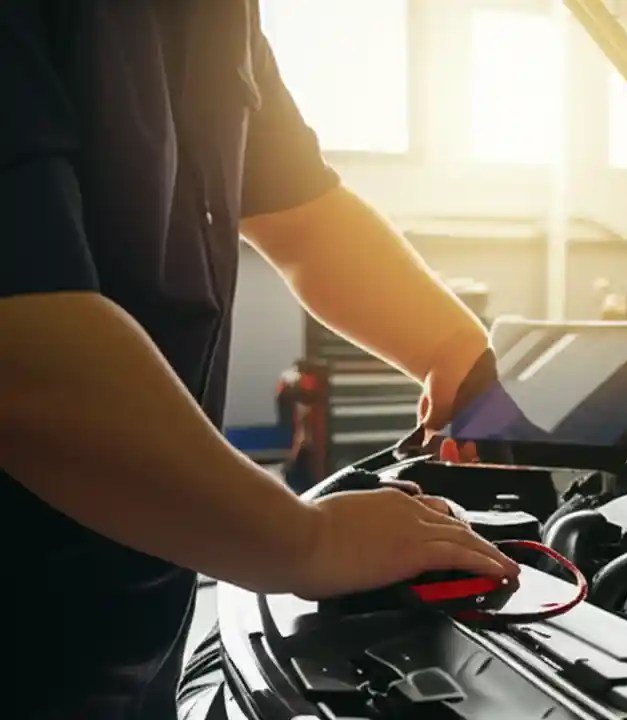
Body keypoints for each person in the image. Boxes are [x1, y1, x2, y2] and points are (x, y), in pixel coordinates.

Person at [0, 3, 519, 718]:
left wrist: (453, 351)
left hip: (130, 614)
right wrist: (306, 541)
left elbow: (305, 217)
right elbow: (22, 347)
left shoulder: (219, 17)